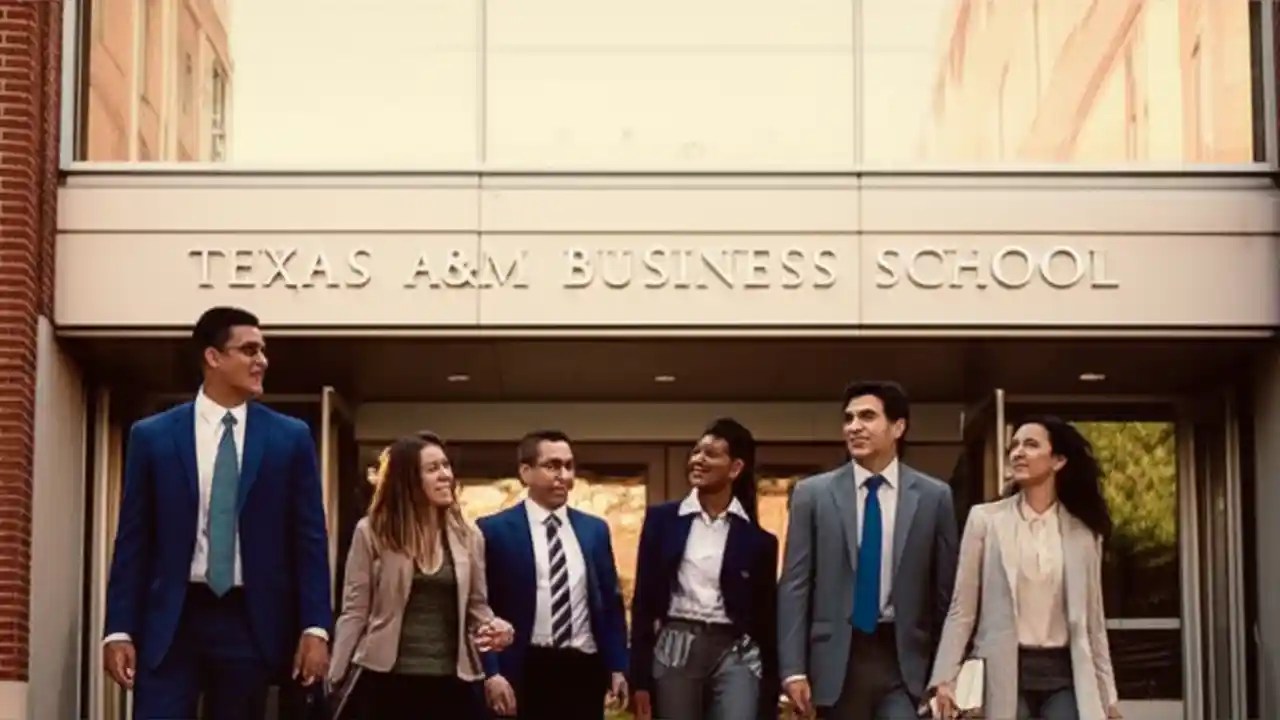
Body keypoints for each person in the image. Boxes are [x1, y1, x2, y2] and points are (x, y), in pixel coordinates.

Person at [102, 306, 331, 719]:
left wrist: (315, 626)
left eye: (262, 350)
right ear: (213, 357)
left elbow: (310, 539)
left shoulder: (290, 438)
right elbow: (133, 540)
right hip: (171, 621)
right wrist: (118, 628)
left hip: (250, 621)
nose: (262, 360)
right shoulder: (153, 437)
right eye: (249, 350)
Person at [778, 380, 959, 719]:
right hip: (836, 660)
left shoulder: (934, 497)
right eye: (848, 419)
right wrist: (793, 669)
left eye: (867, 417)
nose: (854, 427)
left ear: (898, 427)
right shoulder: (812, 494)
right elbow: (795, 585)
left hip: (905, 661)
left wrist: (945, 671)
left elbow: (946, 595)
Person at [929, 416, 1121, 720]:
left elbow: (1093, 624)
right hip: (1003, 671)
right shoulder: (985, 520)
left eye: (1031, 445)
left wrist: (1108, 698)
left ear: (1058, 460)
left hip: (1065, 675)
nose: (1018, 452)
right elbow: (962, 609)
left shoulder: (1084, 533)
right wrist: (944, 678)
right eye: (1014, 445)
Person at [328, 433, 515, 719]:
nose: (445, 476)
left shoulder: (469, 536)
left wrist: (497, 628)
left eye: (446, 466)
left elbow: (477, 607)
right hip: (385, 679)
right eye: (432, 469)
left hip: (452, 683)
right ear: (408, 480)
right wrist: (335, 676)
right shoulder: (372, 532)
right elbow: (354, 611)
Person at [630, 418, 779, 720]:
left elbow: (766, 619)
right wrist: (639, 679)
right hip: (676, 645)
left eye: (710, 454)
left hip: (736, 650)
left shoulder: (758, 541)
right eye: (696, 451)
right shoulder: (662, 521)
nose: (698, 459)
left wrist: (773, 685)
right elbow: (643, 603)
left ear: (736, 468)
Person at [477, 430, 630, 719]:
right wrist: (491, 671)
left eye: (569, 466)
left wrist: (618, 666)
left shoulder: (594, 530)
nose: (563, 475)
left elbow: (610, 604)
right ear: (526, 472)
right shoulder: (492, 531)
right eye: (552, 466)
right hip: (523, 667)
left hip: (582, 668)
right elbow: (480, 608)